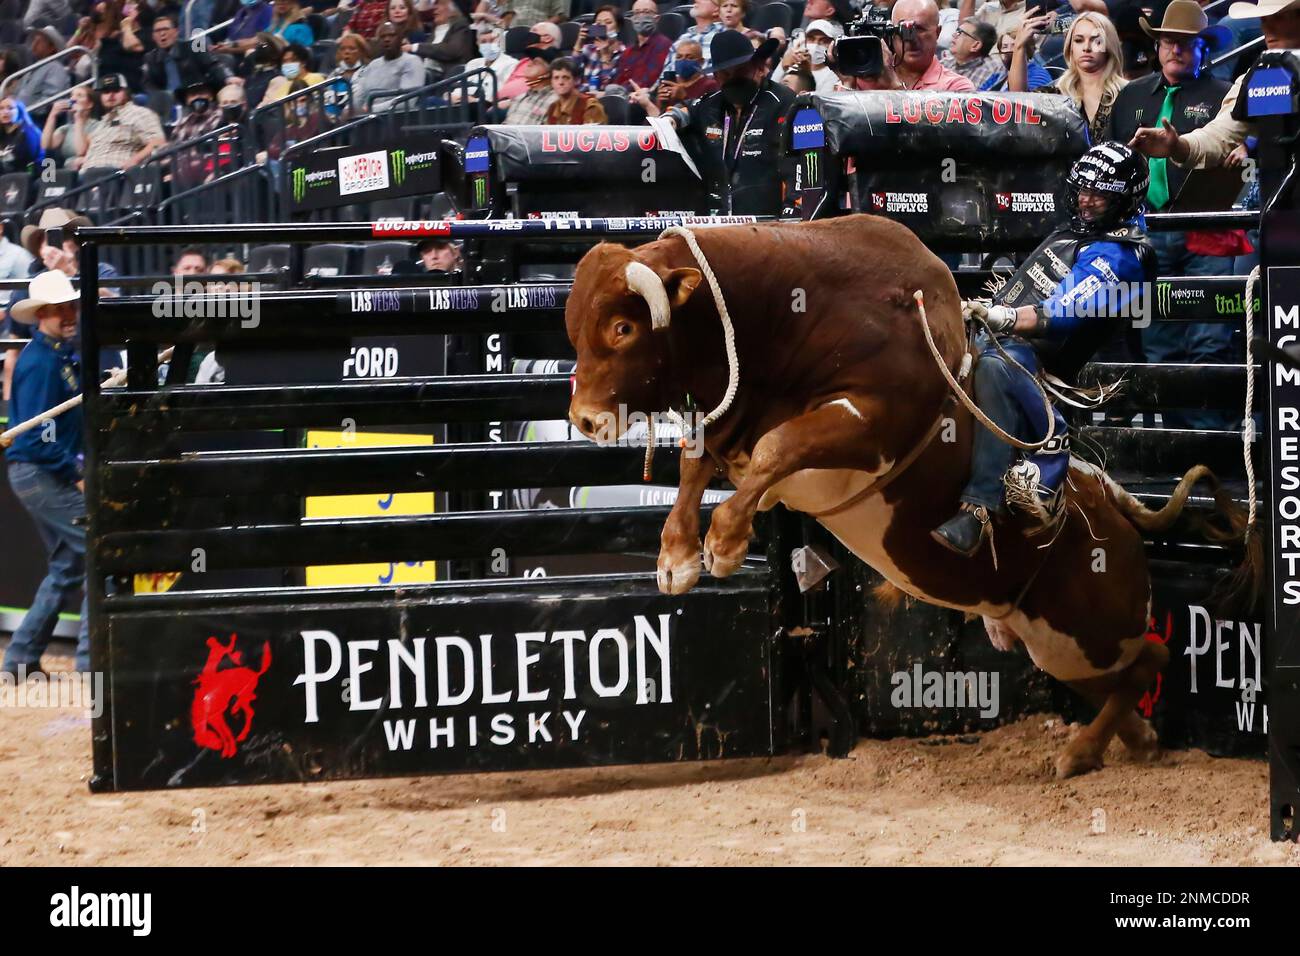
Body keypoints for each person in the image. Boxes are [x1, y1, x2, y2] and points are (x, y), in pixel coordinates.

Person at [932, 143, 1156, 556]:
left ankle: (985, 503)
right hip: (1004, 333)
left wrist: (1000, 317)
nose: (1086, 200)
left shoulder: (1122, 255)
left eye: (1099, 194)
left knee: (995, 366)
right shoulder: (1078, 230)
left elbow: (1062, 313)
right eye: (1082, 191)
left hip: (1042, 362)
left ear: (1123, 200)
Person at [1108, 0, 1238, 425]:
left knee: (1210, 341)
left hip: (1209, 230)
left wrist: (1244, 148)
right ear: (1156, 45)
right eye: (1167, 42)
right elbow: (1111, 159)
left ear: (1203, 48)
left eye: (1185, 43)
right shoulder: (1130, 96)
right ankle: (1173, 449)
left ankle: (1213, 445)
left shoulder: (1226, 96)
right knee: (1159, 343)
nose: (1175, 50)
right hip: (1148, 228)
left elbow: (1241, 146)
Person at [2, 270, 91, 677]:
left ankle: (20, 658)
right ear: (41, 313)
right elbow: (39, 437)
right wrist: (76, 473)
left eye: (69, 305)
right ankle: (92, 662)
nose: (67, 313)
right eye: (58, 308)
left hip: (35, 473)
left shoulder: (55, 355)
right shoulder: (42, 363)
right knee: (99, 553)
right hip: (41, 473)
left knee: (68, 567)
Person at [1129, 0, 1300, 172]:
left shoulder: (1269, 76)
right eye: (1263, 20)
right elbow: (1222, 134)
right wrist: (1179, 146)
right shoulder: (1269, 77)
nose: (1267, 28)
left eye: (1278, 18)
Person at [664, 30, 798, 216]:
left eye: (741, 71)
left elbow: (798, 165)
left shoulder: (783, 102)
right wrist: (671, 119)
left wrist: (792, 212)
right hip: (721, 221)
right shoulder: (711, 104)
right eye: (726, 74)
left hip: (769, 221)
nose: (734, 79)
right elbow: (686, 111)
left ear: (759, 67)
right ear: (716, 78)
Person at [1011, 9, 1125, 143]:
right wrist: (1019, 47)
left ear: (1109, 45)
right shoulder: (1056, 95)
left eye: (1096, 40)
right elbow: (1019, 104)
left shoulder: (1128, 92)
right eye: (1078, 40)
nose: (1086, 47)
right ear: (1070, 47)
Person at [79, 72, 167, 173]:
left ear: (126, 92)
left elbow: (159, 142)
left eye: (116, 90)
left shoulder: (139, 113)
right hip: (86, 178)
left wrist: (134, 160)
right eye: (106, 91)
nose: (111, 95)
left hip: (116, 176)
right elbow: (83, 151)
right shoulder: (102, 122)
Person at [890, 0, 977, 90]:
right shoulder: (876, 75)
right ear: (891, 32)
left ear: (937, 32)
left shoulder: (957, 86)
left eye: (919, 29)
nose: (911, 39)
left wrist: (892, 84)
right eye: (903, 29)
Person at [630, 38, 719, 115]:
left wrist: (684, 96)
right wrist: (661, 102)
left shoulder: (710, 85)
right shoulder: (669, 82)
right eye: (679, 57)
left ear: (701, 62)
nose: (683, 60)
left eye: (690, 57)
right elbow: (659, 116)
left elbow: (705, 116)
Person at [352, 21, 426, 110]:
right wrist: (349, 109)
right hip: (367, 117)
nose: (387, 39)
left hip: (396, 118)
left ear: (401, 39)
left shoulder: (412, 61)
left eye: (392, 35)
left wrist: (371, 109)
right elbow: (360, 95)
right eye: (382, 37)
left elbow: (407, 101)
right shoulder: (373, 65)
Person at [615, 0, 673, 90]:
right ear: (632, 18)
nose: (641, 16)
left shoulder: (664, 45)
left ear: (656, 18)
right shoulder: (627, 52)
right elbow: (618, 81)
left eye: (646, 12)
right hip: (625, 96)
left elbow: (651, 81)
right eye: (637, 12)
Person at [14, 27, 71, 116]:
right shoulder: (33, 67)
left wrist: (26, 111)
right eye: (34, 40)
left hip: (37, 119)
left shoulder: (55, 68)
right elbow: (18, 92)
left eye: (39, 41)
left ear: (51, 47)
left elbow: (49, 102)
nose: (34, 44)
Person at [941, 16, 1007, 89]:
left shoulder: (994, 70)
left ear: (975, 45)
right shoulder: (944, 64)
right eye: (956, 31)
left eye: (960, 33)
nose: (954, 35)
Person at [409, 0, 476, 71]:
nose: (435, 8)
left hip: (447, 76)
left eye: (439, 5)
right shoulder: (435, 29)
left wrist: (415, 47)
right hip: (426, 72)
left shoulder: (460, 25)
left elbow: (452, 51)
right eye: (434, 5)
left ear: (451, 9)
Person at [573, 7, 625, 92]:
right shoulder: (588, 49)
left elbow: (607, 89)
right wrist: (579, 44)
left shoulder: (624, 54)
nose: (602, 26)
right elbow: (570, 75)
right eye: (598, 23)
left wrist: (605, 56)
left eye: (608, 22)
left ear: (618, 27)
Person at [544, 57, 608, 123]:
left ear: (576, 80)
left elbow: (592, 133)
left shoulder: (590, 106)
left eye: (566, 78)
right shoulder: (552, 107)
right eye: (556, 78)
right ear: (551, 82)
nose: (560, 82)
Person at [503, 47, 559, 123]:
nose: (529, 64)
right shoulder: (520, 98)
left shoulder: (555, 101)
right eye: (530, 61)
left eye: (535, 63)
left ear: (548, 73)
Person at [669, 0, 726, 71]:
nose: (696, 0)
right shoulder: (682, 38)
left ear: (716, 10)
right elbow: (665, 72)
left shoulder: (725, 37)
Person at [0, 96, 42, 176]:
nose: (5, 112)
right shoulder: (2, 134)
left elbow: (24, 159)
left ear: (19, 111)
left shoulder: (29, 131)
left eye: (10, 108)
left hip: (25, 175)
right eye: (1, 108)